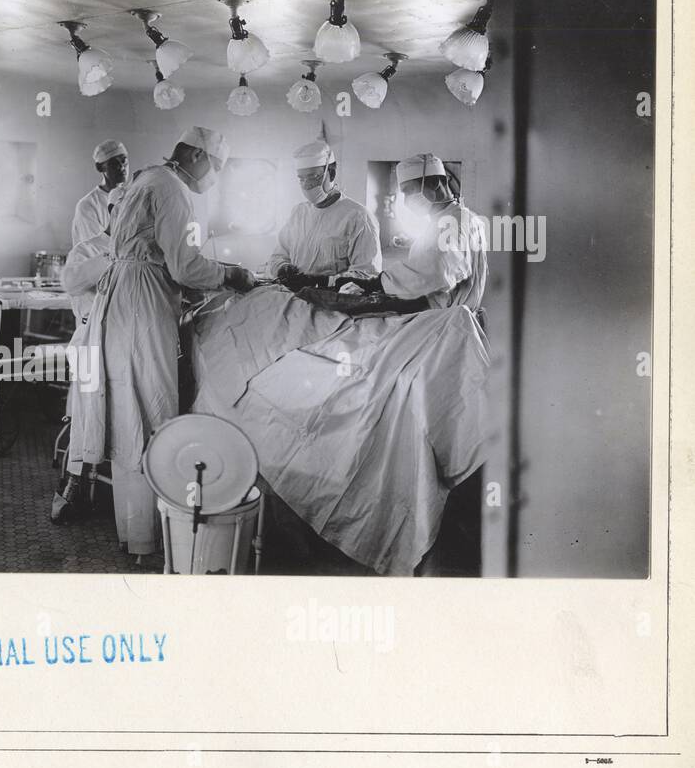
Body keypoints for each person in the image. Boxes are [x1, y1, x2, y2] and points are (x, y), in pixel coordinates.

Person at [73, 126, 254, 564]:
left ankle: (133, 536)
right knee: (153, 409)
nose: (212, 177)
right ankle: (152, 541)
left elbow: (160, 253)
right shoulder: (172, 190)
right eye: (213, 167)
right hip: (142, 304)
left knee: (125, 413)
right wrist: (231, 274)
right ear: (195, 156)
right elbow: (186, 265)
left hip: (123, 296)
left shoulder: (147, 177)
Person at [51, 141, 131, 523]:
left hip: (121, 337)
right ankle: (76, 481)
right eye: (113, 164)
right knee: (86, 410)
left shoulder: (138, 250)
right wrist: (112, 252)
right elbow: (75, 279)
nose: (121, 167)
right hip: (88, 332)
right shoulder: (89, 244)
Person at [338, 153, 488, 313]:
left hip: (446, 322)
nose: (406, 200)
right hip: (445, 317)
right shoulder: (451, 219)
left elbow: (436, 268)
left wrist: (374, 284)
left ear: (435, 182)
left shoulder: (456, 222)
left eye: (409, 191)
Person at [266, 140, 382, 291]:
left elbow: (368, 275)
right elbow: (277, 256)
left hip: (332, 301)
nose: (306, 184)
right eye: (301, 178)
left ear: (331, 173)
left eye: (313, 177)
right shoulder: (298, 213)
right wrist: (283, 268)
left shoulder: (358, 217)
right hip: (295, 297)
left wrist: (321, 281)